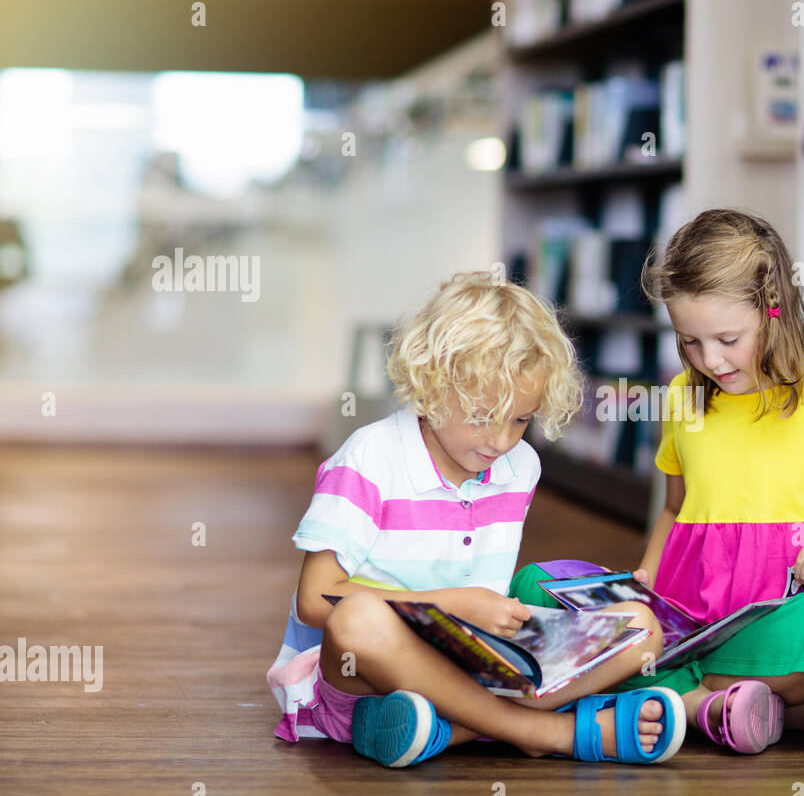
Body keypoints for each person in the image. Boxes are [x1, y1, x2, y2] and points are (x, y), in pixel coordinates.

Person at [534, 209, 804, 755]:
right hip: (686, 625)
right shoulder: (684, 396)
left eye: (727, 338)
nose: (710, 360)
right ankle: (709, 704)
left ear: (775, 310)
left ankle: (648, 694)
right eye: (690, 342)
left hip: (781, 634)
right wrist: (646, 581)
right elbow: (676, 510)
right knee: (538, 586)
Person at [266, 271, 685, 766]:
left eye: (520, 418)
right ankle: (546, 732)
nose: (501, 440)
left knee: (640, 628)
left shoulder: (520, 465)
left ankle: (450, 730)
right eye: (483, 416)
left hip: (473, 669)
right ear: (431, 383)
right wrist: (452, 605)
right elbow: (317, 600)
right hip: (362, 675)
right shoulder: (369, 459)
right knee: (357, 621)